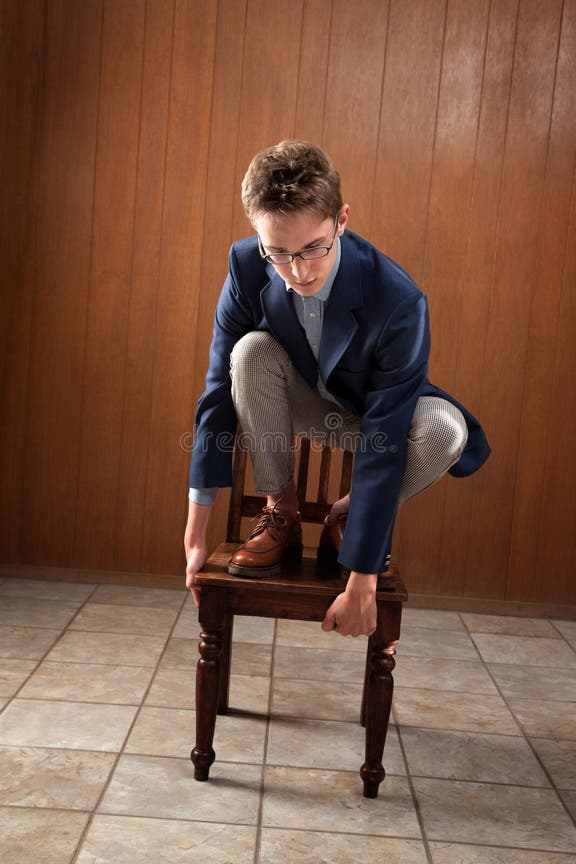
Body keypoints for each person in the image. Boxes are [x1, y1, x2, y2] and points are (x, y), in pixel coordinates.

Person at [184, 140, 490, 638]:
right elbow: (219, 389)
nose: (298, 270)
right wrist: (195, 530)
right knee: (248, 352)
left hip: (372, 421)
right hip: (296, 403)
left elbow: (388, 436)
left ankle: (343, 518)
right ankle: (278, 511)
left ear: (341, 220)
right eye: (278, 253)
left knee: (445, 428)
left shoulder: (399, 299)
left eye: (313, 249)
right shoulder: (245, 265)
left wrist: (363, 582)